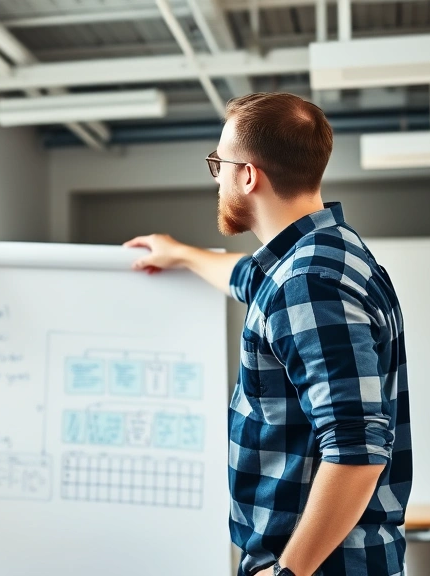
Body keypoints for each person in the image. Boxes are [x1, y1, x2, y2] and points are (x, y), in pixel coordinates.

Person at [125, 92, 411, 576]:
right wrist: (180, 254)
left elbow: (357, 450)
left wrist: (288, 573)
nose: (217, 180)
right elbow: (247, 279)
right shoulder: (322, 257)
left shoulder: (307, 283)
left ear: (248, 174)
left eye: (219, 164)